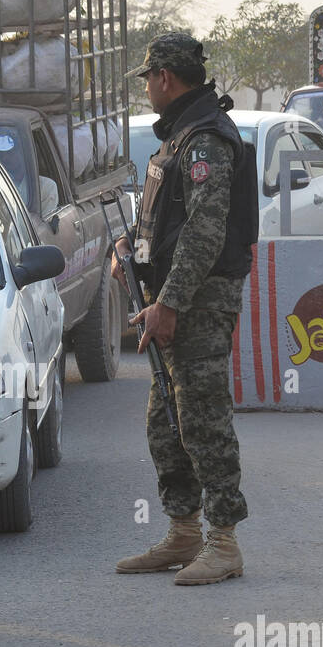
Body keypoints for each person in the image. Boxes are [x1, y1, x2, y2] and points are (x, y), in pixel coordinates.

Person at [112, 33, 259, 585]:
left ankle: (223, 542)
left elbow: (204, 230)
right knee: (165, 423)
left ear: (165, 79)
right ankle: (184, 532)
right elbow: (165, 221)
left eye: (148, 78)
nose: (147, 88)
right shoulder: (179, 138)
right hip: (170, 297)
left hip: (197, 300)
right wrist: (128, 246)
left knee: (202, 419)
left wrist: (169, 302)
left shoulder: (204, 141)